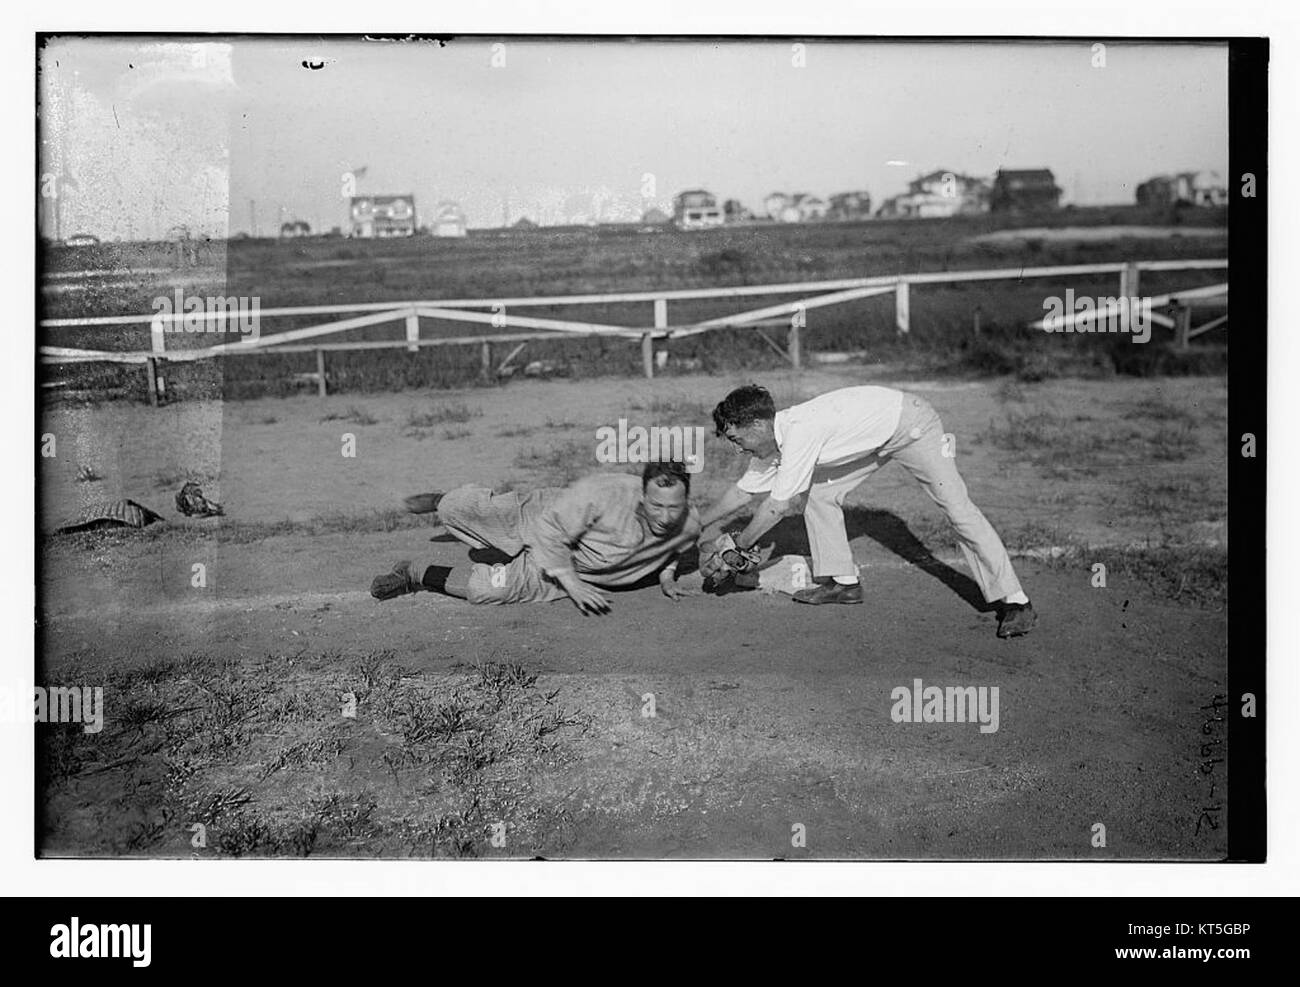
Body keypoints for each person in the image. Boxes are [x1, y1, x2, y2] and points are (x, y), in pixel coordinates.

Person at [700, 384, 1036, 638]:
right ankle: (843, 584)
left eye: (735, 437)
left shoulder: (800, 432)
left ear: (757, 425)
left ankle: (1016, 602)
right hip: (877, 435)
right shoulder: (772, 442)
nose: (736, 447)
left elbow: (777, 506)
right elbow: (742, 492)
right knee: (819, 491)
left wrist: (738, 547)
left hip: (912, 424)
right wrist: (697, 525)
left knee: (957, 508)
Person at [371, 460, 700, 614]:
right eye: (656, 506)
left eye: (675, 507)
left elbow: (671, 548)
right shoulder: (606, 501)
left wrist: (667, 576)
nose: (665, 516)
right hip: (546, 516)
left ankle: (412, 572)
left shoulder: (687, 522)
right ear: (643, 497)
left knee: (487, 589)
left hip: (571, 567)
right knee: (463, 512)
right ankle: (445, 499)